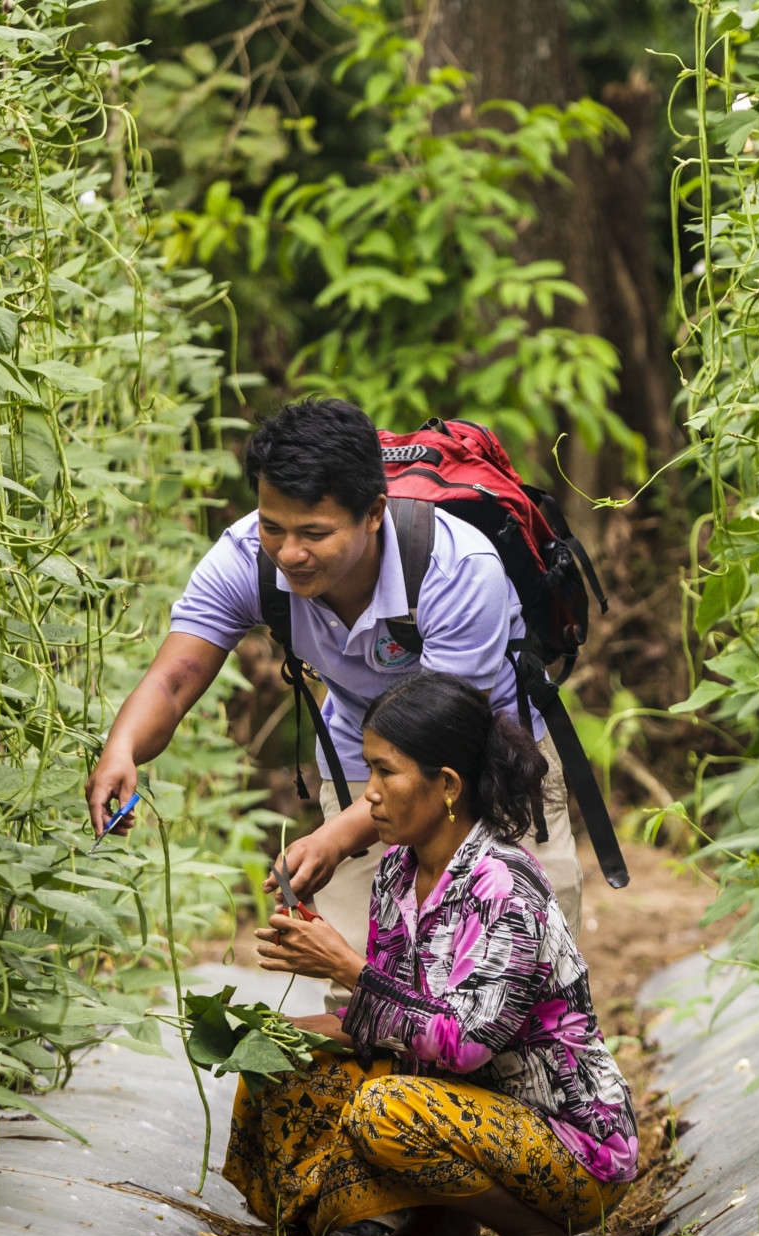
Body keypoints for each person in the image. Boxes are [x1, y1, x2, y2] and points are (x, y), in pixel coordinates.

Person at [83, 398, 583, 1010]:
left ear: (373, 514)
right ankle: (385, 1104)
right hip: (360, 756)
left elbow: (447, 738)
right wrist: (122, 749)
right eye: (274, 527)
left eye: (314, 533)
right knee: (358, 983)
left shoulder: (457, 568)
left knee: (515, 988)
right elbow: (174, 678)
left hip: (485, 759)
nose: (289, 553)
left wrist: (331, 839)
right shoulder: (246, 558)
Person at [224, 672, 637, 1236]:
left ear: (446, 785)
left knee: (383, 1110)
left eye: (386, 773)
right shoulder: (397, 873)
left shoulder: (504, 886)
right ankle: (441, 1217)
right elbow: (391, 1018)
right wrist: (276, 1029)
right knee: (276, 1059)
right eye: (368, 771)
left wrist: (346, 964)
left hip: (571, 1147)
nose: (368, 794)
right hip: (466, 1114)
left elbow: (464, 1043)